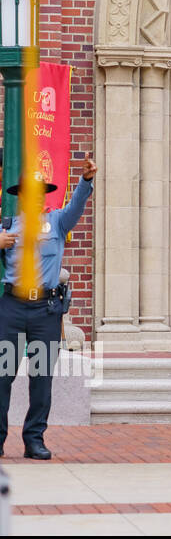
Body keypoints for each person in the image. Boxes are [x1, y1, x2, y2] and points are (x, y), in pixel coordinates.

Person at [0, 156, 96, 460]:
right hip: (12, 308)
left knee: (41, 378)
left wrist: (85, 181)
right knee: (2, 376)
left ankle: (34, 439)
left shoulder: (57, 220)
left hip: (45, 310)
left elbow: (77, 207)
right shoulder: (6, 226)